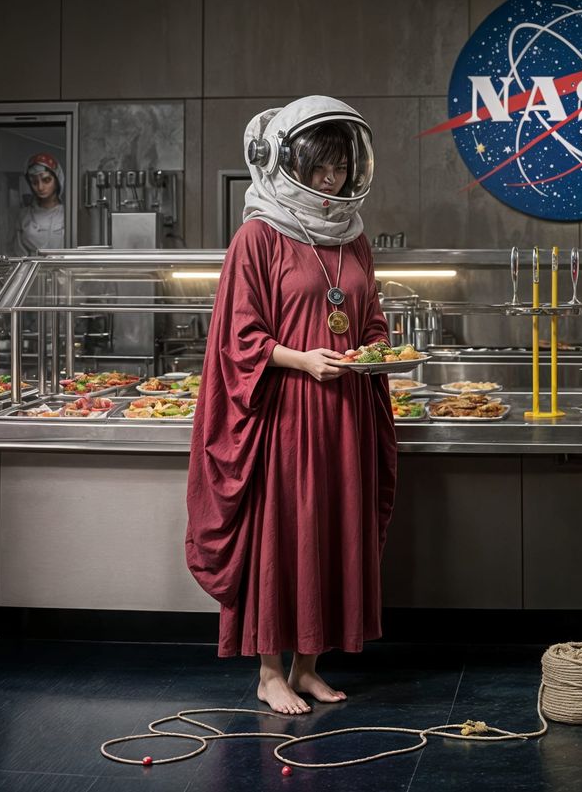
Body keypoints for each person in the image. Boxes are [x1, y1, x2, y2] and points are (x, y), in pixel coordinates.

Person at [185, 96, 396, 715]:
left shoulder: (353, 240)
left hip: (345, 414)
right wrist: (302, 359)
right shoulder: (257, 235)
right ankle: (269, 672)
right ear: (287, 161)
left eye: (341, 167)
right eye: (321, 167)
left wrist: (377, 349)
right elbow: (239, 337)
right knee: (286, 535)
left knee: (331, 531)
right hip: (289, 415)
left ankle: (308, 666)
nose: (332, 180)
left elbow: (370, 317)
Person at [13, 152, 67, 255]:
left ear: (57, 180)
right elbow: (17, 254)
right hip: (30, 269)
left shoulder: (68, 216)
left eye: (46, 180)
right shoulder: (24, 216)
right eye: (34, 182)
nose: (40, 187)